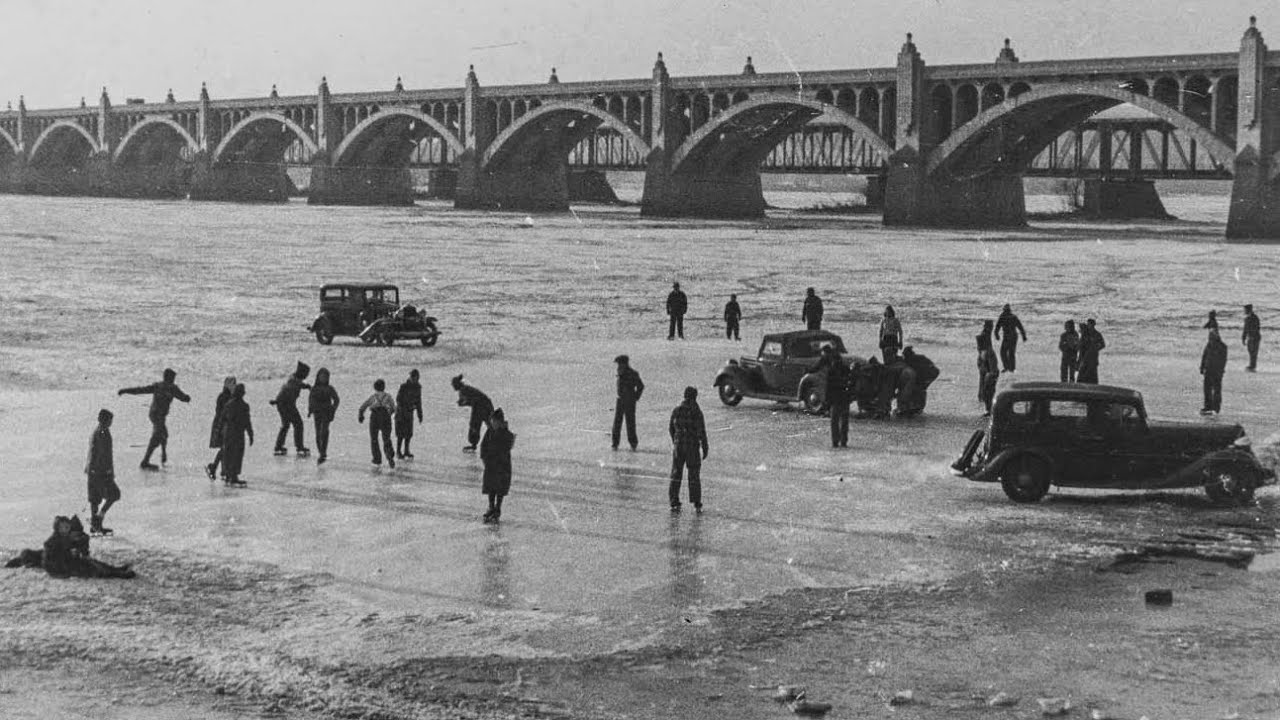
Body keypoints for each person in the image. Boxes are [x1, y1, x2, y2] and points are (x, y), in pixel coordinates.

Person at [118, 368, 191, 470]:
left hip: (157, 415)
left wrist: (185, 398)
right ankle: (146, 461)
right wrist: (125, 390)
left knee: (163, 434)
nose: (173, 380)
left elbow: (182, 397)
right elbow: (140, 390)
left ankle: (162, 455)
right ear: (169, 378)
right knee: (158, 436)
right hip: (156, 415)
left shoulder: (167, 387)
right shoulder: (165, 387)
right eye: (172, 378)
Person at [668, 386, 709, 514]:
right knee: (694, 475)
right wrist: (705, 447)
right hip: (692, 447)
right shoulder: (696, 411)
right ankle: (696, 502)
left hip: (679, 446)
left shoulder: (677, 410)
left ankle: (674, 501)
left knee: (676, 473)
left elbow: (671, 428)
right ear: (695, 397)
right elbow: (702, 431)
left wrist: (675, 441)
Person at [807, 344, 850, 447]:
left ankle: (835, 441)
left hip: (835, 398)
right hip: (844, 397)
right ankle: (843, 441)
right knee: (844, 420)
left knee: (835, 420)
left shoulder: (830, 370)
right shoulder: (844, 368)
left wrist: (826, 401)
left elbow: (828, 386)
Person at [85, 409, 118, 536]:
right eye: (109, 420)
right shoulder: (102, 433)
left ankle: (96, 525)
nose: (110, 423)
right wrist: (107, 471)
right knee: (114, 494)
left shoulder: (99, 431)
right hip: (100, 471)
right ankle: (98, 519)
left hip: (94, 470)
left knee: (95, 498)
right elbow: (100, 454)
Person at [479, 408, 516, 523]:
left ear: (499, 422)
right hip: (491, 465)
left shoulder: (506, 434)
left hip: (501, 467)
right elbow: (483, 445)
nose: (492, 423)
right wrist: (484, 457)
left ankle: (497, 508)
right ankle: (491, 507)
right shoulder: (490, 431)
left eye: (494, 421)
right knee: (491, 488)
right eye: (492, 421)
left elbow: (506, 448)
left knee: (499, 489)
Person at [271, 362, 311, 456]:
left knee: (286, 425)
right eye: (306, 374)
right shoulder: (294, 382)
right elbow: (287, 392)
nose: (306, 376)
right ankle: (299, 447)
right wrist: (276, 401)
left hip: (283, 404)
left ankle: (278, 446)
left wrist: (307, 386)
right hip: (286, 405)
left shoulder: (293, 379)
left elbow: (299, 384)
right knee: (298, 424)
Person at [219, 383, 254, 487]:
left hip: (228, 432)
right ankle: (233, 476)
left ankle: (228, 475)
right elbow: (247, 422)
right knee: (237, 455)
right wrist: (250, 434)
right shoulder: (244, 406)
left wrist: (220, 431)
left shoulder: (229, 404)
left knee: (228, 454)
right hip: (238, 433)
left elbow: (222, 419)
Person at [358, 379, 397, 468]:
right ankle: (389, 455)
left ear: (375, 387)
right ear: (384, 387)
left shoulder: (373, 397)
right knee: (386, 438)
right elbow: (393, 408)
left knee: (374, 439)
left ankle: (377, 459)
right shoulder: (388, 396)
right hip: (385, 416)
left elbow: (363, 406)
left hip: (374, 416)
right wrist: (390, 414)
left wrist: (361, 416)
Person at [452, 374, 494, 452]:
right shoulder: (464, 389)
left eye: (453, 384)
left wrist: (464, 403)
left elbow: (474, 400)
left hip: (481, 407)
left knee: (475, 425)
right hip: (485, 405)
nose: (453, 386)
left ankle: (474, 444)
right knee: (487, 424)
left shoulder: (464, 390)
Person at [612, 355, 645, 451]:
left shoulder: (632, 373)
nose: (618, 366)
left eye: (619, 363)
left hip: (629, 401)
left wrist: (635, 397)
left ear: (624, 363)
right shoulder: (621, 372)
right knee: (618, 423)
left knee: (629, 423)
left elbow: (641, 386)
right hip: (621, 400)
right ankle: (615, 443)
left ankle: (632, 443)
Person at [205, 376, 236, 480]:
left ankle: (222, 470)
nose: (234, 385)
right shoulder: (225, 397)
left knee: (224, 447)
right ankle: (214, 467)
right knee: (225, 447)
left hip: (222, 424)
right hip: (222, 424)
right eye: (232, 383)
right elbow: (222, 412)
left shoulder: (226, 396)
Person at [307, 368, 340, 465]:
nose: (324, 378)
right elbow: (311, 400)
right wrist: (310, 410)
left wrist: (333, 409)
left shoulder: (330, 388)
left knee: (324, 431)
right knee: (318, 433)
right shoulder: (314, 388)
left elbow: (336, 399)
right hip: (317, 413)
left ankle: (323, 452)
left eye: (326, 377)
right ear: (318, 377)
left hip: (327, 412)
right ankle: (321, 452)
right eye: (322, 376)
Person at [898, 346, 940, 417]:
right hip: (933, 372)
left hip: (930, 374)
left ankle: (916, 407)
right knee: (920, 388)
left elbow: (919, 373)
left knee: (919, 388)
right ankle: (917, 406)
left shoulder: (911, 360)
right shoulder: (918, 357)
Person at [395, 369, 423, 460]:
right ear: (411, 377)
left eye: (416, 378)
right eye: (414, 377)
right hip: (401, 412)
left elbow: (419, 402)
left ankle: (406, 450)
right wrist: (406, 405)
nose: (415, 379)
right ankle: (398, 451)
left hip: (409, 413)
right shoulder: (403, 386)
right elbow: (398, 399)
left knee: (409, 434)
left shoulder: (418, 387)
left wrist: (420, 414)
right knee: (400, 434)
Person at [1200, 329, 1228, 415]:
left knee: (1216, 390)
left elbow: (1223, 360)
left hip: (1217, 371)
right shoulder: (1209, 345)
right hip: (1208, 370)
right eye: (1210, 336)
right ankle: (1208, 406)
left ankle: (1216, 407)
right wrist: (1202, 367)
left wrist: (1221, 370)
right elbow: (1204, 356)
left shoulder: (1222, 346)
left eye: (1211, 336)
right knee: (1207, 389)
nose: (1210, 338)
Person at [994, 304, 1027, 373]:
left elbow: (997, 327)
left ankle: (1009, 368)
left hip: (1010, 337)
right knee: (1008, 352)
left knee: (1005, 352)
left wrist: (997, 335)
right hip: (1011, 336)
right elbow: (1020, 327)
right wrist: (1023, 336)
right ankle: (1010, 368)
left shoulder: (1003, 317)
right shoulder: (1012, 317)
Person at [1077, 318, 1106, 384]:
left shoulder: (1097, 334)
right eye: (1088, 324)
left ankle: (1093, 386)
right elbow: (1081, 345)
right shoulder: (1085, 334)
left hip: (1093, 357)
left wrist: (1095, 348)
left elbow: (1102, 345)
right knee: (1082, 373)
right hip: (1085, 357)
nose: (1089, 326)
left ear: (1093, 325)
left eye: (1090, 324)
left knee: (1092, 374)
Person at [977, 334, 1000, 416]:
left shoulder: (989, 352)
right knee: (986, 393)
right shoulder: (982, 353)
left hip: (990, 376)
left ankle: (989, 410)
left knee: (989, 393)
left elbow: (993, 368)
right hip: (986, 375)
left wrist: (988, 376)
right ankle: (988, 410)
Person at [1243, 304, 1261, 371]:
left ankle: (1253, 366)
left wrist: (1253, 335)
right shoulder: (1247, 318)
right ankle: (1252, 365)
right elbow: (1245, 329)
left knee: (1254, 352)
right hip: (1250, 337)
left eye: (1245, 310)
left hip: (1255, 337)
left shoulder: (1255, 318)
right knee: (1250, 351)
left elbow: (1257, 327)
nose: (1244, 311)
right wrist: (1243, 337)